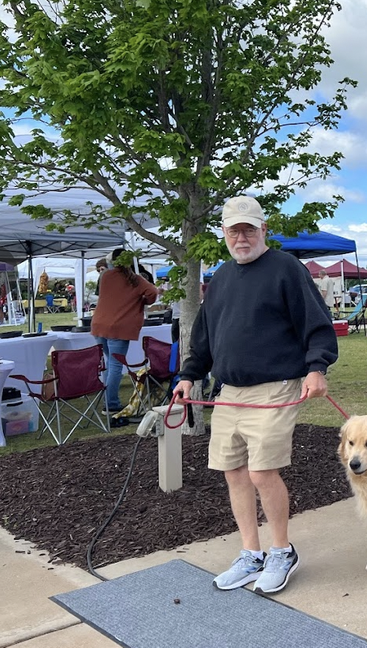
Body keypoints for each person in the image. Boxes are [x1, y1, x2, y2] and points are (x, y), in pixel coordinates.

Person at [175, 196, 337, 594]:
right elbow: (206, 337)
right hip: (230, 390)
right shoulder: (221, 278)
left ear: (263, 230)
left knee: (262, 471)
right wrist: (188, 375)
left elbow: (316, 324)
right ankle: (252, 553)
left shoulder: (286, 269)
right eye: (234, 230)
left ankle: (282, 550)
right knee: (234, 472)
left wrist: (317, 368)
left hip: (277, 386)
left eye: (249, 229)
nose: (242, 237)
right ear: (225, 234)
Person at [90, 248, 159, 426]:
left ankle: (108, 400)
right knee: (115, 365)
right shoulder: (136, 279)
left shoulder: (105, 275)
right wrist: (141, 300)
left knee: (109, 364)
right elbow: (153, 293)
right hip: (119, 327)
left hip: (99, 325)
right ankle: (111, 404)